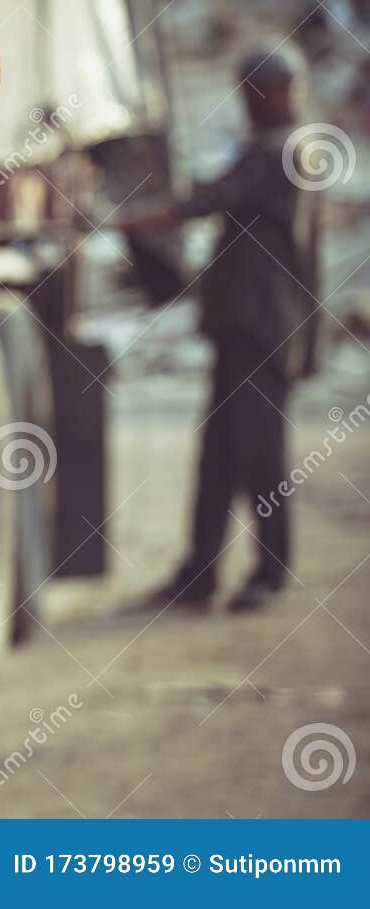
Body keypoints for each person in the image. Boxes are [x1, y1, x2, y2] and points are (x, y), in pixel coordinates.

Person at [117, 45, 322, 612]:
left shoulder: (282, 152)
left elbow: (208, 199)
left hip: (262, 330)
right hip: (241, 330)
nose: (249, 102)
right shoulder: (280, 148)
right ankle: (200, 574)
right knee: (219, 456)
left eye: (255, 90)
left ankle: (269, 574)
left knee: (261, 457)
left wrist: (125, 217)